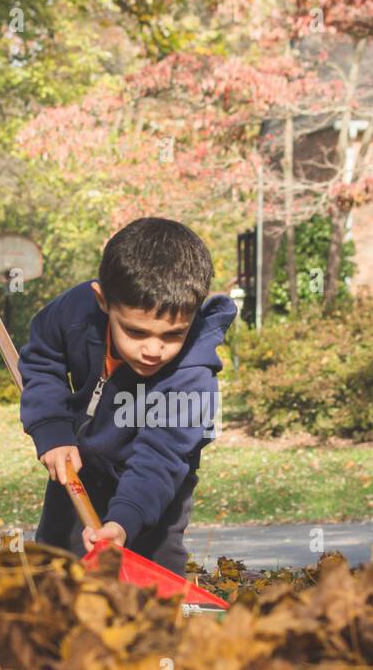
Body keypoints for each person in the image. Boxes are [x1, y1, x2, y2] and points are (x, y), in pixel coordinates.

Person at [18, 216, 237, 576]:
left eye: (172, 335)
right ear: (103, 301)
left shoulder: (192, 376)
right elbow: (42, 359)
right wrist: (52, 431)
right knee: (58, 568)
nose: (154, 350)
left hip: (155, 483)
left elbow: (163, 455)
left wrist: (122, 523)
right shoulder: (75, 312)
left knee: (152, 577)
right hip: (79, 466)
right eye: (136, 332)